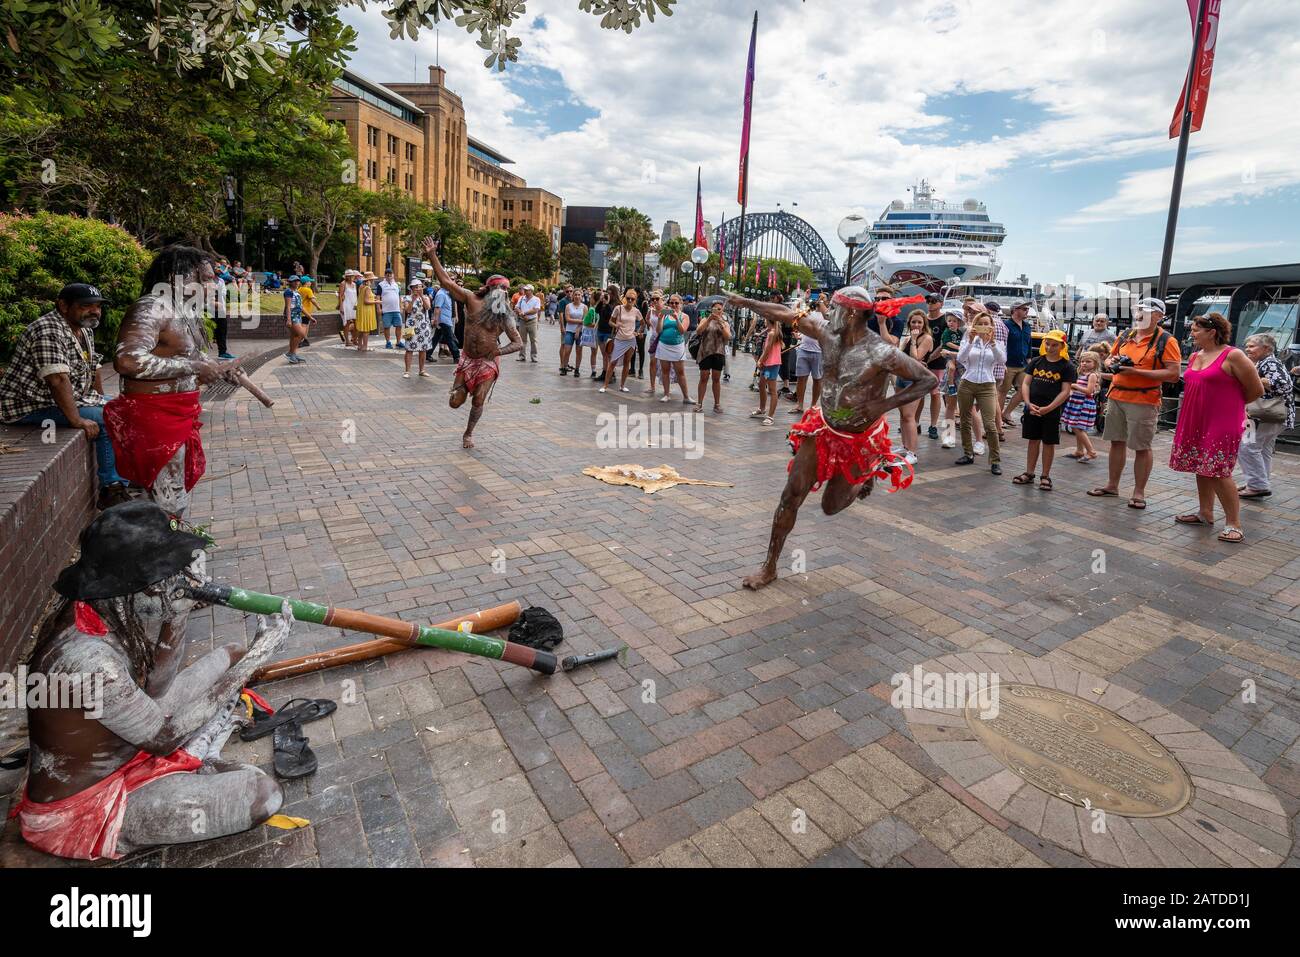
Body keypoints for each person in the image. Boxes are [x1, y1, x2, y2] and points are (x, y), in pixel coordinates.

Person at [11, 502, 290, 861]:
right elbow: (163, 738)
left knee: (231, 654)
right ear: (145, 588)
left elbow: (157, 688)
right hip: (88, 807)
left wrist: (179, 616)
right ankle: (198, 764)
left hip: (134, 741)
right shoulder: (88, 661)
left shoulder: (104, 610)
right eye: (175, 576)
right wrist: (253, 662)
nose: (185, 583)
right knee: (263, 795)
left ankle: (198, 757)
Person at [730, 287, 936, 589]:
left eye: (835, 308)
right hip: (824, 428)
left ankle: (865, 476)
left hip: (860, 438)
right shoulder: (826, 333)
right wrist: (743, 301)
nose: (828, 313)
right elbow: (786, 315)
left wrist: (885, 404)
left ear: (851, 313)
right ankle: (770, 567)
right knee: (791, 495)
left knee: (830, 506)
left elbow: (928, 379)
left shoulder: (882, 352)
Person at [106, 246, 240, 518]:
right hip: (153, 417)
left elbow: (191, 358)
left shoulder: (184, 311)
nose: (211, 285)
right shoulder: (153, 307)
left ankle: (160, 547)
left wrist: (218, 369)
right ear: (174, 277)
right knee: (165, 497)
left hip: (177, 414)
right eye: (203, 278)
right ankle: (166, 551)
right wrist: (194, 366)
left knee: (166, 492)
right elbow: (128, 361)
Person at [0, 283, 132, 509]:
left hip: (67, 399)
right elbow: (57, 379)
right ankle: (112, 489)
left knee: (128, 409)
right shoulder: (48, 330)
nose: (95, 311)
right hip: (30, 405)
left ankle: (126, 475)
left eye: (98, 306)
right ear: (63, 305)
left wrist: (100, 399)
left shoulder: (83, 328)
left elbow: (95, 367)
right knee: (107, 417)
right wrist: (77, 420)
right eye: (86, 306)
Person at [422, 237, 523, 448]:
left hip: (487, 363)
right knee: (455, 402)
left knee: (478, 400)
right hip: (468, 360)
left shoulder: (504, 314)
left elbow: (518, 343)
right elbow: (446, 283)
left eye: (506, 292)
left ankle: (468, 433)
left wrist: (498, 351)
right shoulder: (471, 299)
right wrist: (432, 254)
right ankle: (461, 391)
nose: (503, 296)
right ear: (490, 290)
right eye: (500, 291)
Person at [1170, 312, 1263, 543]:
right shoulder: (1194, 356)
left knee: (1219, 470)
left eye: (1196, 330)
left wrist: (1232, 406)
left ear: (1211, 332)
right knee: (1201, 465)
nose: (1191, 333)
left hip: (1223, 421)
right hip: (1195, 418)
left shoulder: (1234, 355)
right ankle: (1205, 512)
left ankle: (1234, 523)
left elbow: (1256, 390)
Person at [1087, 298, 1182, 510]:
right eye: (1138, 311)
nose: (1139, 315)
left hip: (1143, 399)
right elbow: (1111, 358)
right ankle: (1112, 485)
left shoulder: (1167, 340)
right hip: (1117, 395)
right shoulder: (1126, 335)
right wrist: (1113, 363)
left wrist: (1136, 371)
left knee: (1141, 446)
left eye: (1145, 312)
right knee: (1116, 441)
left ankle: (1139, 492)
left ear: (1158, 316)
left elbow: (1174, 374)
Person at [1011, 330, 1076, 491]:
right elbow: (1026, 384)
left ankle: (1045, 475)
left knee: (1049, 442)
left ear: (1062, 346)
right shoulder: (1036, 361)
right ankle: (1029, 472)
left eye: (1054, 345)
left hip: (1051, 410)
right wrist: (1027, 403)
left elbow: (1065, 391)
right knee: (1033, 440)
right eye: (1047, 343)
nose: (1050, 347)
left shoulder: (1067, 366)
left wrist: (1049, 408)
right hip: (1032, 407)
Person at [1237, 333, 1296, 500]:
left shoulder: (1270, 363)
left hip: (1263, 415)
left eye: (1252, 346)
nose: (1248, 349)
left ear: (1267, 348)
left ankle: (1258, 485)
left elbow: (1284, 386)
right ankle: (1259, 482)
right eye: (1247, 346)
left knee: (1247, 447)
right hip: (1270, 416)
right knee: (1263, 450)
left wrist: (1256, 379)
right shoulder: (1265, 362)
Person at [953, 308, 1004, 474]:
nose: (983, 327)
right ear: (975, 325)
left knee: (989, 424)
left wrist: (993, 343)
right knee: (965, 419)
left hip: (987, 385)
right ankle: (968, 453)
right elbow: (960, 358)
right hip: (967, 382)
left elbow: (1002, 360)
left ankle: (995, 460)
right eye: (980, 324)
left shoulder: (997, 342)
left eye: (986, 324)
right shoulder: (969, 339)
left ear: (991, 326)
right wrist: (970, 340)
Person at [895, 309, 933, 464]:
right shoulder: (907, 338)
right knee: (903, 415)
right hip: (902, 378)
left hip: (915, 381)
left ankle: (913, 453)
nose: (916, 324)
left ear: (924, 324)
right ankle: (905, 446)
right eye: (913, 322)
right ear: (909, 323)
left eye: (919, 322)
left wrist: (913, 340)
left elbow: (915, 358)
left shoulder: (927, 338)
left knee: (910, 416)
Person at [1061, 349, 1102, 462]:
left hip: (1083, 403)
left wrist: (1075, 386)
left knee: (1077, 427)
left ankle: (1091, 451)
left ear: (1095, 363)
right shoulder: (1081, 374)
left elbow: (1089, 391)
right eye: (1083, 361)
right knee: (1077, 426)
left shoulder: (1092, 375)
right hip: (1076, 401)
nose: (1084, 363)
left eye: (1088, 361)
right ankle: (1079, 450)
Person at [999, 300, 1034, 428]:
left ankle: (1006, 413)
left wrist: (1030, 361)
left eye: (1027, 309)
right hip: (1008, 364)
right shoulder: (1006, 325)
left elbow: (1028, 344)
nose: (1027, 311)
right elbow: (1001, 344)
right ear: (1015, 310)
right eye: (1024, 309)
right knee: (1003, 391)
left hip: (1023, 364)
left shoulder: (1027, 326)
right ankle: (998, 419)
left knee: (1024, 390)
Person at [693, 299, 731, 413]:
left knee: (716, 379)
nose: (717, 311)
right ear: (711, 309)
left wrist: (720, 322)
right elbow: (698, 331)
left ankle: (717, 404)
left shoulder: (725, 322)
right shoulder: (705, 319)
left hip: (718, 353)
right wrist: (709, 319)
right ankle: (699, 403)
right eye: (715, 309)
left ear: (722, 310)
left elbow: (728, 337)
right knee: (703, 377)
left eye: (720, 309)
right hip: (705, 352)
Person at [601, 289, 642, 394]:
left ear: (635, 300)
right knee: (613, 362)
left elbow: (643, 323)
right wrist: (616, 325)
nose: (630, 300)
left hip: (631, 340)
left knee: (626, 362)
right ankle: (605, 385)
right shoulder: (618, 308)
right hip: (619, 339)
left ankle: (622, 386)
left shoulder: (636, 311)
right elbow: (610, 322)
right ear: (625, 298)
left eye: (632, 299)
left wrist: (638, 332)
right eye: (628, 298)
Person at [789, 299, 826, 416]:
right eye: (819, 301)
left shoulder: (827, 315)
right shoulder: (807, 313)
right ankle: (800, 405)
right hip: (804, 350)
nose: (820, 302)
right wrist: (799, 336)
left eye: (823, 300)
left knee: (817, 379)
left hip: (819, 352)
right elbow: (800, 322)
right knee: (801, 378)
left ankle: (813, 405)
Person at [655, 293, 693, 404]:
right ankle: (666, 394)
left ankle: (686, 397)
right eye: (671, 302)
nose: (674, 305)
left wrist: (677, 318)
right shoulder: (665, 315)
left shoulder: (684, 316)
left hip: (677, 346)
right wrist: (660, 318)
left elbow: (682, 331)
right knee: (665, 371)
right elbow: (658, 330)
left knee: (680, 372)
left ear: (681, 304)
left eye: (676, 303)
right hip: (664, 345)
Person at [937, 311, 963, 448]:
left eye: (954, 321)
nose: (951, 323)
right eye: (949, 320)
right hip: (952, 360)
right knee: (950, 405)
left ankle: (974, 439)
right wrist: (959, 349)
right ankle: (949, 435)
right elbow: (945, 344)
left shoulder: (961, 333)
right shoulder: (947, 332)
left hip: (965, 370)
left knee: (968, 409)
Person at [923, 293, 947, 438]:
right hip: (921, 361)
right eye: (928, 301)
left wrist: (931, 357)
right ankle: (915, 422)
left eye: (934, 301)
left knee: (935, 394)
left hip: (937, 363)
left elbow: (944, 343)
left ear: (941, 304)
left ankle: (933, 425)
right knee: (918, 395)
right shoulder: (923, 319)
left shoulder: (944, 320)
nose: (930, 303)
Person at [401, 278, 434, 379]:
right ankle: (407, 371)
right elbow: (408, 310)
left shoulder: (426, 297)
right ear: (411, 288)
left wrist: (421, 296)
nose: (417, 289)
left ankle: (422, 370)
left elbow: (428, 307)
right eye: (415, 287)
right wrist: (414, 299)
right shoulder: (406, 298)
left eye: (419, 287)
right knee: (409, 349)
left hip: (423, 326)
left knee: (423, 349)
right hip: (410, 326)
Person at [428, 278, 459, 364]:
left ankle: (428, 354)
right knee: (450, 339)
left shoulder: (446, 293)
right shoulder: (441, 294)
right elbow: (437, 308)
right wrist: (436, 320)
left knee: (436, 338)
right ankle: (456, 356)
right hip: (443, 321)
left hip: (444, 320)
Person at [282, 275, 307, 364]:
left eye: (298, 281)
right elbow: (288, 307)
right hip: (292, 316)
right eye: (294, 281)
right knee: (301, 334)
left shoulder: (296, 292)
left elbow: (300, 307)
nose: (297, 283)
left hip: (297, 315)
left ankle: (293, 354)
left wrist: (310, 317)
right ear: (290, 282)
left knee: (294, 335)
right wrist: (288, 319)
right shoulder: (288, 292)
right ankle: (290, 353)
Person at [559, 288, 585, 376]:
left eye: (579, 295)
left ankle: (577, 369)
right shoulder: (568, 306)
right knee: (567, 350)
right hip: (569, 330)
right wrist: (580, 321)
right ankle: (564, 367)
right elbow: (568, 319)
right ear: (573, 296)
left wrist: (579, 328)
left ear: (581, 296)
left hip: (580, 332)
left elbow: (585, 320)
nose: (577, 296)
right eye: (575, 295)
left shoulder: (584, 307)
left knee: (579, 351)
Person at [515, 283, 542, 363]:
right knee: (522, 340)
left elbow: (535, 310)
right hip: (522, 321)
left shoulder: (536, 299)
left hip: (532, 321)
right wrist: (521, 314)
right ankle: (522, 356)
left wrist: (524, 313)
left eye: (527, 290)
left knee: (533, 340)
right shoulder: (521, 298)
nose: (525, 291)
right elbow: (516, 307)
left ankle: (534, 356)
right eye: (525, 290)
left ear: (531, 291)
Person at [378, 267, 403, 349]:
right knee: (387, 327)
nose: (389, 276)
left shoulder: (396, 285)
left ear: (393, 275)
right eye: (387, 275)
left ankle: (398, 342)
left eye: (390, 274)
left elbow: (399, 296)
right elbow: (378, 297)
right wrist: (379, 308)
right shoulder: (381, 285)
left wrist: (401, 306)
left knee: (399, 326)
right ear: (385, 275)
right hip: (386, 310)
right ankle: (388, 342)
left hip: (396, 309)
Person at [355, 271, 378, 352]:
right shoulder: (367, 288)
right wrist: (377, 302)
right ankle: (365, 346)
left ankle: (359, 345)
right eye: (372, 279)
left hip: (361, 309)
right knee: (366, 329)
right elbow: (366, 301)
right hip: (366, 310)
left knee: (362, 328)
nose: (373, 281)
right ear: (370, 279)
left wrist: (374, 298)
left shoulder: (361, 286)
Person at [339, 268, 359, 346]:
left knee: (356, 323)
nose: (350, 277)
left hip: (353, 305)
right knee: (346, 323)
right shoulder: (343, 284)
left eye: (351, 276)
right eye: (348, 276)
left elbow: (355, 295)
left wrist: (357, 304)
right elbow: (340, 296)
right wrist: (341, 306)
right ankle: (347, 341)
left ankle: (354, 339)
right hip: (346, 304)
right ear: (346, 277)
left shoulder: (354, 284)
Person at [297, 275, 317, 348]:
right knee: (304, 327)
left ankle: (305, 340)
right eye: (309, 281)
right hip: (306, 312)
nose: (311, 283)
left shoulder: (299, 289)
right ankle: (299, 341)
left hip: (300, 311)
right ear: (306, 282)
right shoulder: (308, 290)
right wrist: (318, 306)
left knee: (305, 326)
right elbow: (312, 300)